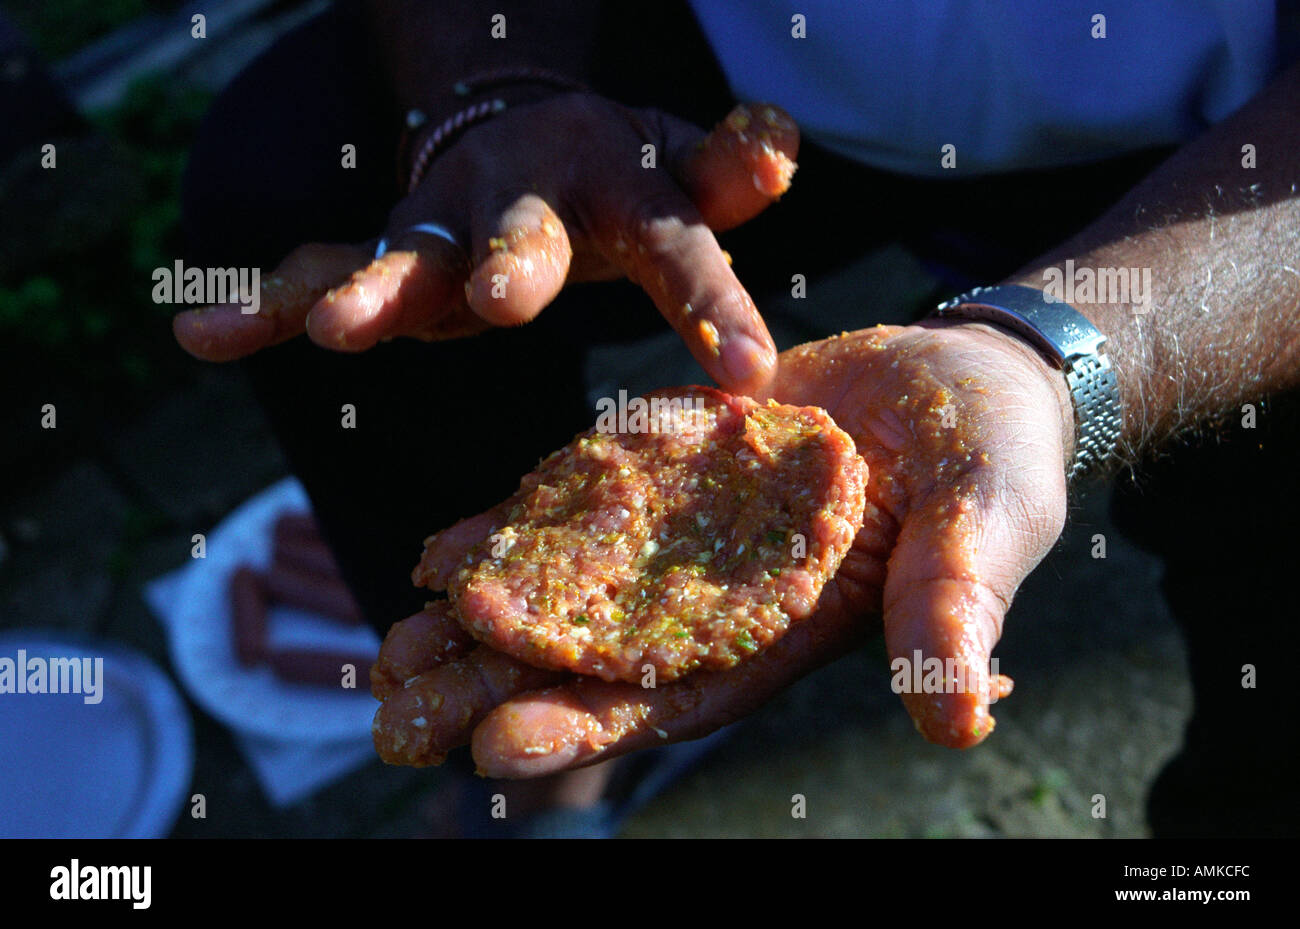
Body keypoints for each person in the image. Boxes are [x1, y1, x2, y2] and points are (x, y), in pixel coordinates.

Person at [176, 1, 1299, 835]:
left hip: (1236, 168)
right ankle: (539, 785)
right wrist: (496, 88)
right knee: (286, 180)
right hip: (749, 88)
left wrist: (1053, 355)